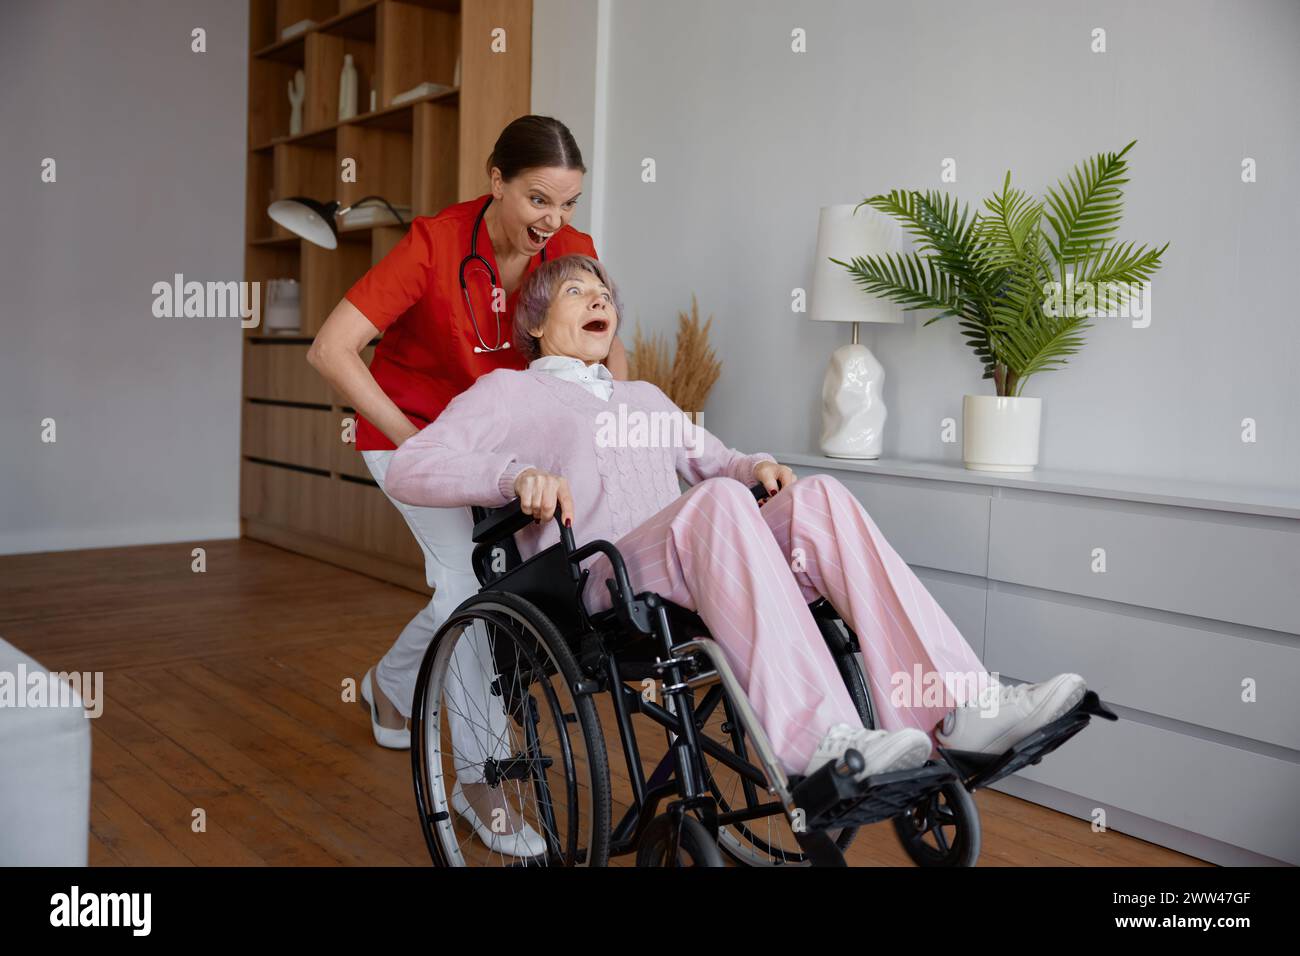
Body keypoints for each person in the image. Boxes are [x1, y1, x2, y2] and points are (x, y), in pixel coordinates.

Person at [383, 254, 1089, 850]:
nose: (600, 298)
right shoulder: (509, 393)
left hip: (694, 560)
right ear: (534, 322)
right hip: (603, 578)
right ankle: (819, 744)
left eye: (605, 293)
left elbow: (717, 461)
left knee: (819, 498)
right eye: (577, 291)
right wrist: (511, 477)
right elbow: (417, 466)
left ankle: (959, 706)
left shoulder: (647, 398)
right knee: (716, 507)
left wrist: (756, 468)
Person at [307, 117, 625, 853]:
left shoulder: (572, 250)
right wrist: (422, 444)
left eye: (569, 203)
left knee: (485, 583)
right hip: (408, 434)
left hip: (499, 444)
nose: (555, 221)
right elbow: (333, 348)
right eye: (539, 199)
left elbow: (599, 347)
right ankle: (481, 781)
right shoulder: (433, 243)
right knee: (470, 588)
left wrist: (617, 430)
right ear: (495, 181)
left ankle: (391, 687)